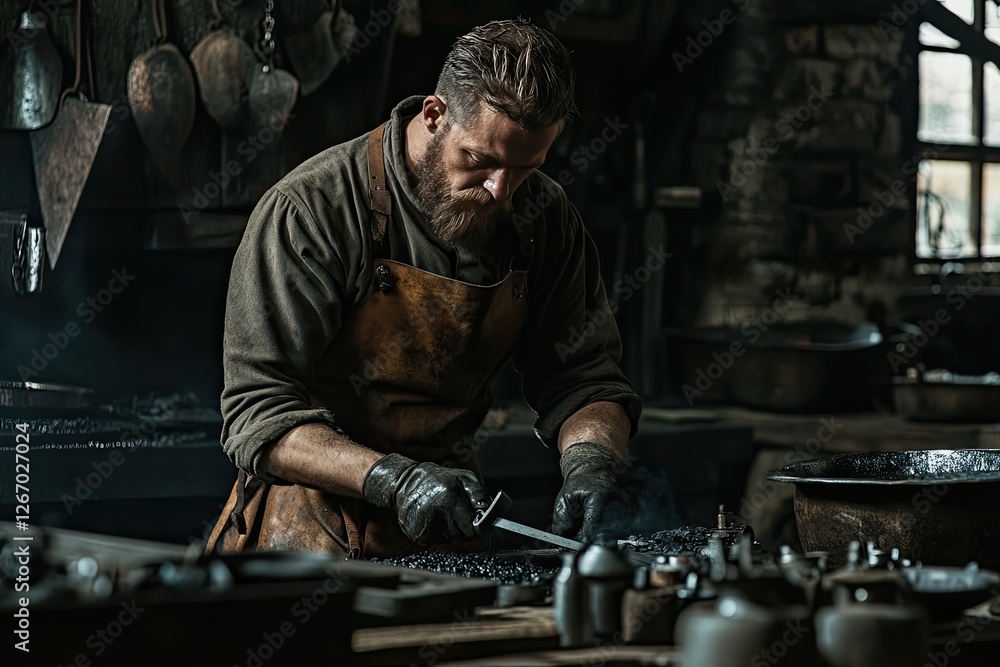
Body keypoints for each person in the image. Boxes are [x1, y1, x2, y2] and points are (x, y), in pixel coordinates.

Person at [206, 18, 642, 558]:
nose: (500, 190)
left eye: (525, 169)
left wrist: (591, 463)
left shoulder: (545, 219)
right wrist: (398, 480)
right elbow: (259, 415)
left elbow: (584, 379)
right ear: (434, 115)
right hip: (303, 539)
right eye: (480, 161)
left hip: (450, 526)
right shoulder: (310, 211)